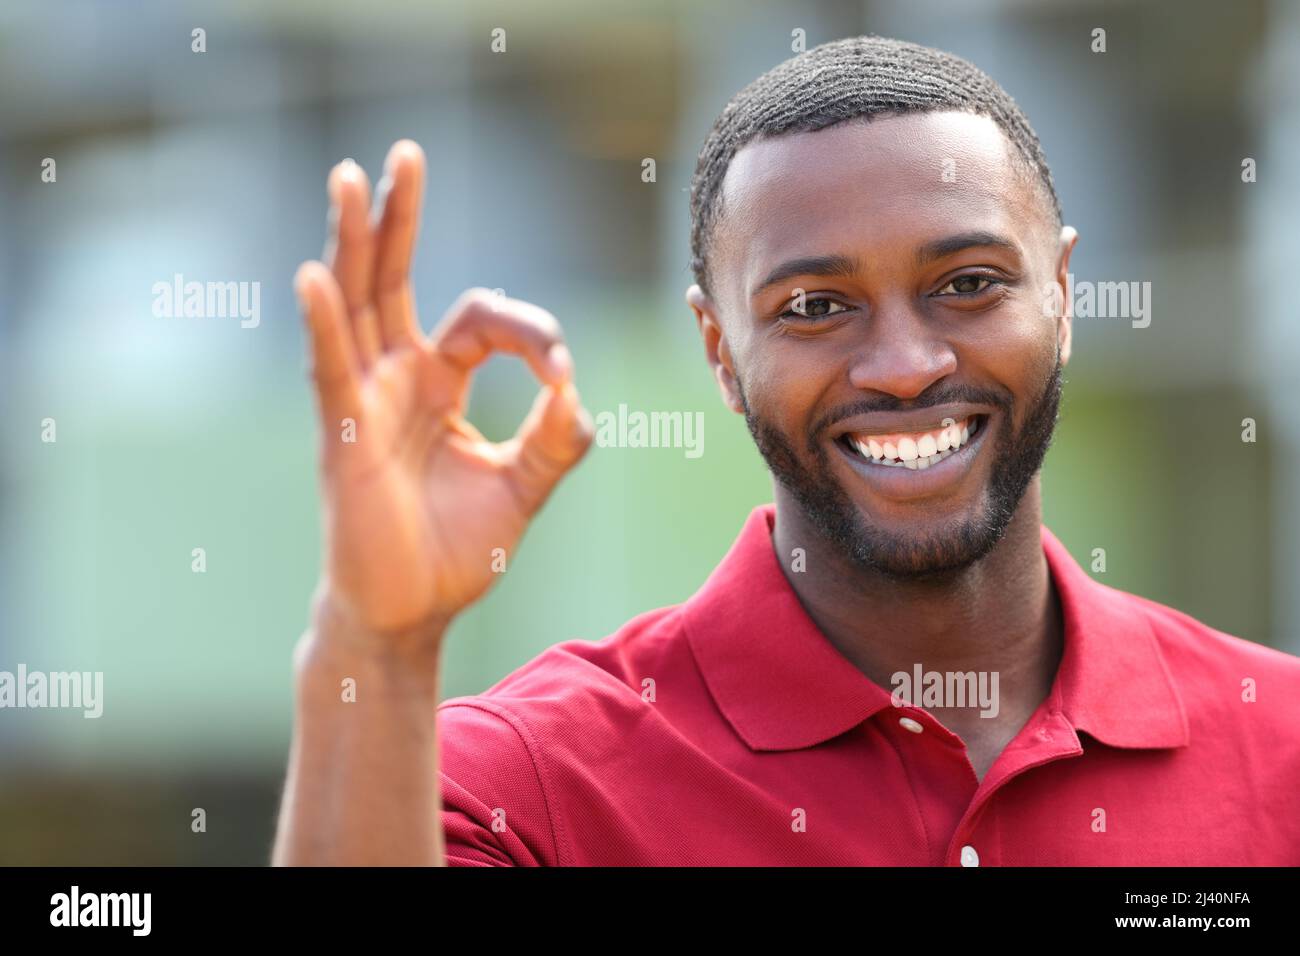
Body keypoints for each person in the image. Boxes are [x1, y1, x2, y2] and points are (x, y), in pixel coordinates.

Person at [272, 36, 1300, 866]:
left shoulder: (1280, 742)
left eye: (968, 284)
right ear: (720, 351)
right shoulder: (530, 785)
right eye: (814, 306)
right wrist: (376, 647)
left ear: (1063, 298)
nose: (905, 366)